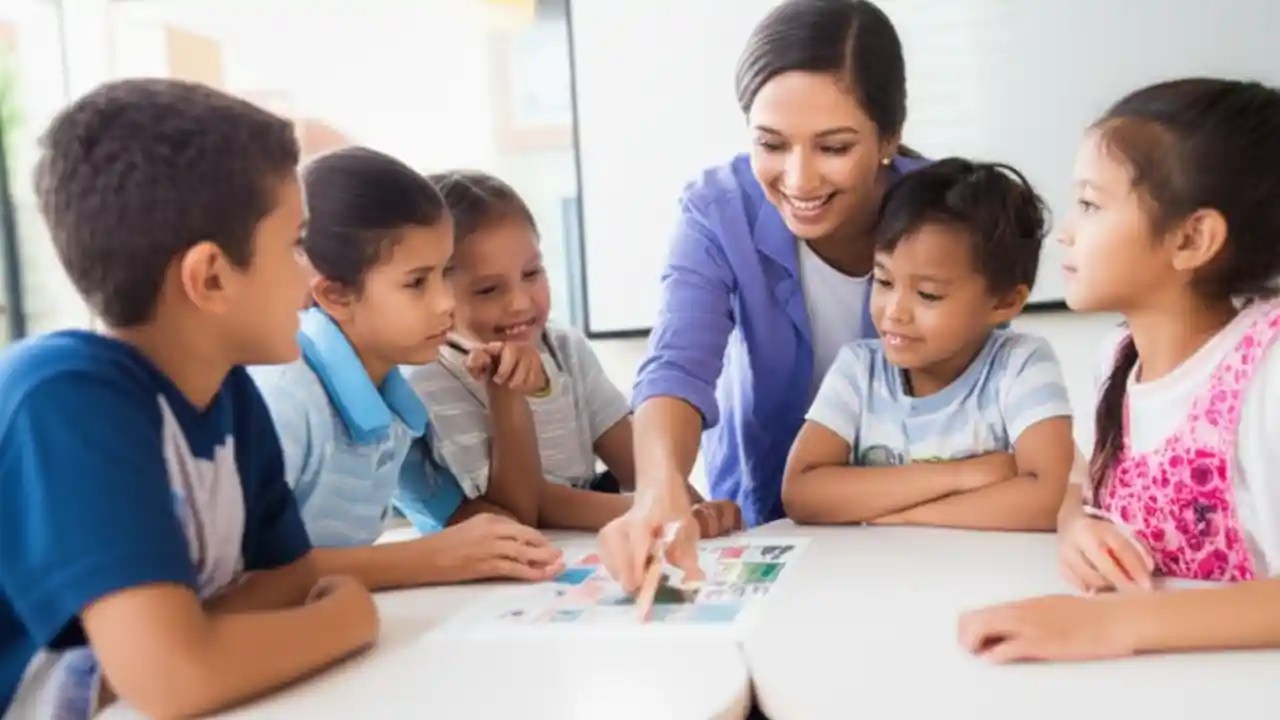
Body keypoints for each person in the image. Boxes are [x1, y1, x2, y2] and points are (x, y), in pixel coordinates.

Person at [0, 79, 377, 719]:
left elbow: (290, 578)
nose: (312, 277)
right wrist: (350, 617)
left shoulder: (229, 391)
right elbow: (178, 678)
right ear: (210, 276)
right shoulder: (65, 398)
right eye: (294, 244)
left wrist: (182, 641)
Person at [600, 0, 928, 590]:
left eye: (833, 147)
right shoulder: (717, 210)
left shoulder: (949, 216)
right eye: (771, 144)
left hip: (918, 529)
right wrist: (657, 489)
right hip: (765, 523)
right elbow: (677, 365)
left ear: (890, 136)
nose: (799, 179)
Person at [959, 77, 1280, 662]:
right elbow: (1083, 490)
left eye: (1090, 204)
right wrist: (1077, 528)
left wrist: (1106, 626)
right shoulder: (1118, 355)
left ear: (1192, 238)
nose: (1065, 231)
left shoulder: (1267, 370)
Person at [250, 148, 565, 589]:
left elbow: (485, 523)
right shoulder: (285, 394)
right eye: (418, 283)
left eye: (444, 275)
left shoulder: (389, 397)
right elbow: (243, 576)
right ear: (337, 295)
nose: (447, 302)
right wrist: (427, 559)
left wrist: (506, 392)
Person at [402, 170, 742, 535]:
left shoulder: (565, 349)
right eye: (487, 290)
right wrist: (656, 512)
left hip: (585, 547)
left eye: (532, 273)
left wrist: (691, 506)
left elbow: (637, 462)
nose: (520, 303)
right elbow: (524, 508)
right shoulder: (430, 381)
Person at [782, 159, 1073, 530]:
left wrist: (906, 516)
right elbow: (803, 493)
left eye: (928, 295)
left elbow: (1051, 498)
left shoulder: (1020, 364)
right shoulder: (858, 370)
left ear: (1004, 303)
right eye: (884, 282)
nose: (895, 312)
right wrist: (961, 476)